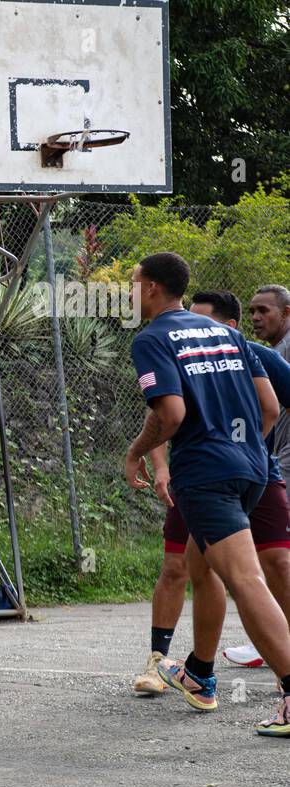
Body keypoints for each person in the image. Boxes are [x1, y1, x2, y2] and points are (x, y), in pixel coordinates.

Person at [125, 253, 290, 735]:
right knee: (199, 566)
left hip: (205, 474)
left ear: (153, 288)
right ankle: (199, 674)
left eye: (134, 283)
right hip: (253, 468)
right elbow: (270, 404)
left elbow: (171, 415)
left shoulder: (153, 338)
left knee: (245, 580)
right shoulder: (230, 334)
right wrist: (242, 450)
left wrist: (136, 452)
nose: (131, 292)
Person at [222, 284, 290, 667]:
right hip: (274, 456)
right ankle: (271, 638)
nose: (257, 318)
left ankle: (274, 641)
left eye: (264, 310)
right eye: (252, 312)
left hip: (279, 458)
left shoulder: (273, 354)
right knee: (274, 557)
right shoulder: (267, 351)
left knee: (276, 557)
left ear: (287, 312)